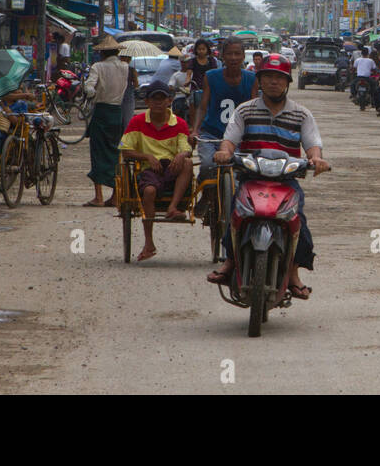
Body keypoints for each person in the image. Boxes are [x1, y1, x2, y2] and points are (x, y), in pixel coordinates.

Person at [206, 54, 330, 299]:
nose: (274, 82)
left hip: (286, 182)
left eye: (279, 78)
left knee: (299, 222)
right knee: (235, 214)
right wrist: (224, 152)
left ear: (287, 83)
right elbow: (230, 140)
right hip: (251, 179)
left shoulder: (301, 114)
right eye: (268, 77)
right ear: (260, 81)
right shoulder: (245, 110)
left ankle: (293, 274)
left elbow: (312, 144)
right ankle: (230, 261)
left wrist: (316, 159)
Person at [120, 82, 194, 261]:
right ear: (147, 101)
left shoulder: (179, 123)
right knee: (149, 191)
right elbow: (125, 149)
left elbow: (186, 148)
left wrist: (181, 155)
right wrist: (147, 157)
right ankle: (149, 242)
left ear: (169, 101)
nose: (159, 103)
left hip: (171, 168)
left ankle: (172, 207)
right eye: (155, 99)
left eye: (163, 99)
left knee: (188, 163)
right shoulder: (137, 122)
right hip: (148, 170)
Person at [192, 39, 256, 178]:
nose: (233, 58)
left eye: (237, 54)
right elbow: (203, 106)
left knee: (245, 172)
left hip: (240, 137)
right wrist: (196, 129)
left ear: (243, 56)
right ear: (222, 56)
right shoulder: (211, 76)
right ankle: (207, 196)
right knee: (208, 165)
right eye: (229, 54)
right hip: (212, 134)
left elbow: (253, 111)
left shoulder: (252, 78)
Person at [81, 36, 130, 208]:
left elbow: (89, 87)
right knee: (115, 154)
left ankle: (99, 196)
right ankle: (115, 196)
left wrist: (90, 92)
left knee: (98, 154)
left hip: (102, 112)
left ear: (102, 52)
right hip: (117, 113)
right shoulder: (125, 67)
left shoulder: (98, 67)